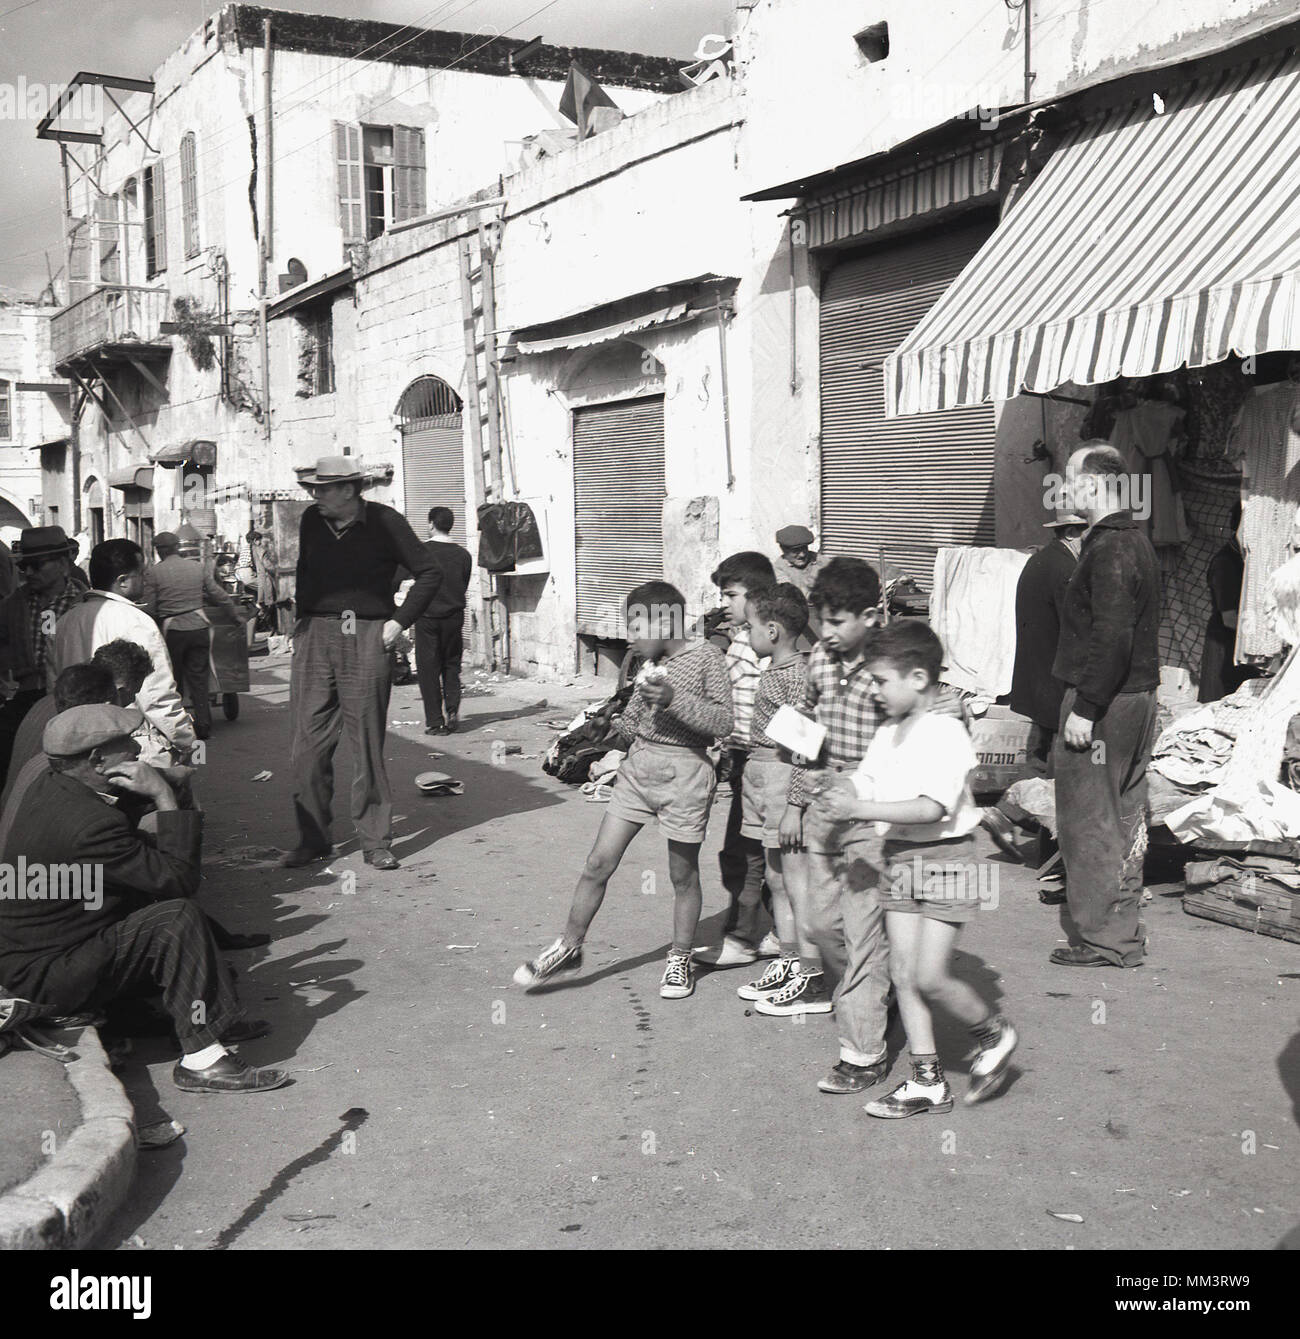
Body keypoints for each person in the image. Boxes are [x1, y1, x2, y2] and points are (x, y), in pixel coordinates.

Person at [0, 704, 285, 1093]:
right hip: (45, 978)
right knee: (175, 917)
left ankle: (196, 1015)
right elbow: (180, 880)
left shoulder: (57, 784)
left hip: (39, 954)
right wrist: (166, 796)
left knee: (141, 880)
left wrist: (164, 780)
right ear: (98, 760)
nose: (137, 751)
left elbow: (115, 811)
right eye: (127, 744)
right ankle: (202, 1060)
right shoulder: (89, 825)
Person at [815, 621, 1018, 1116]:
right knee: (903, 974)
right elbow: (869, 778)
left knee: (929, 976)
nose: (876, 691)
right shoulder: (888, 731)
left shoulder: (945, 733)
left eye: (882, 681)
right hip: (898, 858)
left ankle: (994, 1032)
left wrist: (858, 811)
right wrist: (845, 788)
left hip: (947, 861)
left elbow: (931, 808)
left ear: (919, 677)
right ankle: (927, 1081)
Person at [780, 556, 967, 1093]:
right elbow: (805, 732)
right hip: (826, 809)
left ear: (868, 615)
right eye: (824, 622)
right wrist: (797, 799)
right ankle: (875, 996)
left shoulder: (891, 665)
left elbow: (941, 700)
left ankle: (863, 1052)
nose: (829, 633)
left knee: (863, 935)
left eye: (839, 622)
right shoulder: (818, 659)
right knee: (818, 926)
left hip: (874, 813)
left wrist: (951, 721)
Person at [514, 581, 733, 1001]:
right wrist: (607, 731)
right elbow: (633, 725)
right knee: (598, 862)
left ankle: (680, 956)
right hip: (638, 771)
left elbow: (723, 724)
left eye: (637, 628)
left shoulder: (707, 658)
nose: (631, 638)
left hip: (686, 773)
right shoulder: (647, 666)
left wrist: (673, 700)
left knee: (682, 875)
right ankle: (569, 947)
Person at [284, 455, 442, 871]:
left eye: (324, 489)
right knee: (307, 745)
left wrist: (398, 622)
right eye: (313, 489)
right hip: (316, 634)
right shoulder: (310, 522)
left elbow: (429, 572)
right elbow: (305, 570)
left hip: (367, 632)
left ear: (350, 490)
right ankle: (313, 839)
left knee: (366, 744)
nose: (315, 496)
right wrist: (300, 623)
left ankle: (375, 841)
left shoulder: (386, 521)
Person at [1051, 442, 1160, 969]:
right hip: (1134, 700)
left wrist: (1086, 706)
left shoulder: (1112, 548)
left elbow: (1112, 636)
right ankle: (1121, 933)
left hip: (1109, 705)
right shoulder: (1131, 541)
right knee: (1124, 817)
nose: (1065, 490)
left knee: (1090, 819)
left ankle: (1102, 938)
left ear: (1093, 486)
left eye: (1070, 480)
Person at [731, 583, 831, 1016]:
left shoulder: (794, 675)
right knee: (776, 878)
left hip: (781, 776)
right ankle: (791, 960)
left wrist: (794, 805)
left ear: (772, 630)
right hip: (760, 773)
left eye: (749, 626)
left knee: (796, 880)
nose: (744, 633)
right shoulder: (776, 670)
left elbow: (805, 746)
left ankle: (813, 975)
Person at [981, 507, 1087, 894]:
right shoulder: (1065, 569)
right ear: (1076, 532)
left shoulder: (1040, 561)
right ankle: (1050, 858)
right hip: (1056, 686)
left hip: (1038, 682)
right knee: (1061, 773)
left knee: (1044, 765)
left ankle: (1005, 814)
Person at [698, 551, 778, 967]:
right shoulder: (744, 637)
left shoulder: (766, 640)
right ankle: (779, 930)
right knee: (755, 852)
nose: (725, 603)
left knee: (747, 852)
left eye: (731, 594)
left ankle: (743, 937)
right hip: (745, 756)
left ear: (757, 594)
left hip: (766, 761)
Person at [52, 539, 196, 762]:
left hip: (79, 747)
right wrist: (186, 740)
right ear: (123, 581)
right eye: (142, 573)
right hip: (130, 746)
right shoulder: (136, 621)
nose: (147, 579)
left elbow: (52, 686)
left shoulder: (63, 622)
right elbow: (156, 695)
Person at [0, 526, 84, 784]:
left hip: (73, 700)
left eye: (37, 566)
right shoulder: (13, 604)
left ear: (62, 564)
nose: (29, 573)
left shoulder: (84, 602)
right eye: (25, 567)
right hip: (26, 697)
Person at [140, 530, 241, 741]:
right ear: (178, 547)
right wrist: (234, 615)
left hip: (173, 631)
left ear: (159, 551)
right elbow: (218, 594)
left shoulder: (154, 573)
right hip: (199, 628)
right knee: (199, 678)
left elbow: (149, 607)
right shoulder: (198, 568)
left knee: (173, 680)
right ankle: (204, 725)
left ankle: (177, 727)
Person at [414, 507, 473, 736]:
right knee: (451, 665)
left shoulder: (422, 552)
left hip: (427, 618)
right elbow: (464, 583)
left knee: (428, 670)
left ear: (431, 524)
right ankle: (452, 712)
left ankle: (435, 722)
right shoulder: (463, 555)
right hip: (454, 617)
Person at [1200, 503, 1259, 701]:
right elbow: (1230, 618)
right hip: (1225, 649)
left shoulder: (1245, 560)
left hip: (1238, 647)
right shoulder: (1226, 563)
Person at [774, 524, 831, 638]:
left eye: (804, 548)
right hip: (801, 624)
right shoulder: (778, 569)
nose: (802, 554)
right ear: (783, 549)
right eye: (795, 551)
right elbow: (794, 594)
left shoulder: (820, 560)